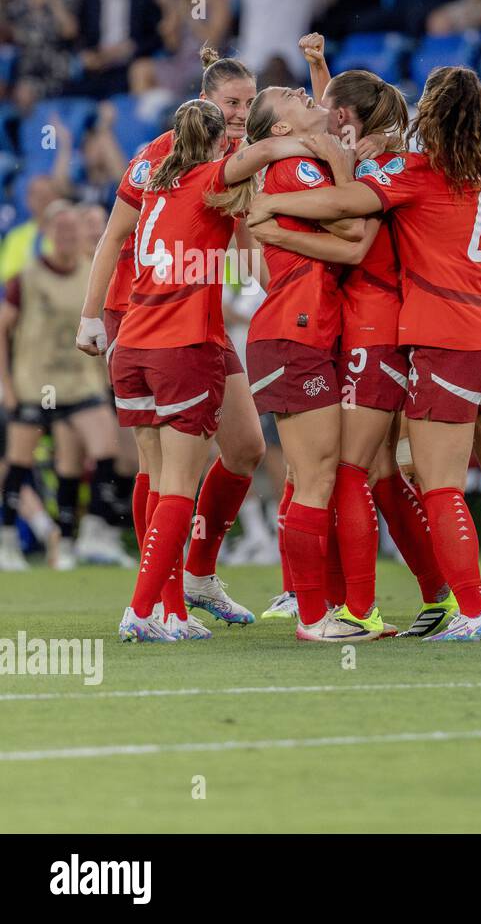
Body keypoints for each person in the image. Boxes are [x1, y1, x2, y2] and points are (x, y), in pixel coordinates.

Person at [248, 66, 481, 643]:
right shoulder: (473, 171)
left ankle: (373, 608)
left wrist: (273, 220)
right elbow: (350, 121)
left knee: (359, 472)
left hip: (393, 327)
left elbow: (353, 229)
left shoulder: (404, 172)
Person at [253, 60, 457, 636]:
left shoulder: (376, 169)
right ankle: (433, 594)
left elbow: (355, 239)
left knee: (346, 471)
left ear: (344, 117)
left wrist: (272, 221)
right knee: (376, 471)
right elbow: (326, 120)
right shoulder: (366, 161)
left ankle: (354, 608)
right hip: (350, 326)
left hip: (373, 324)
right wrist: (320, 72)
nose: (312, 101)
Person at [112, 99, 312, 642]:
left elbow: (247, 260)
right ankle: (142, 610)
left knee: (156, 479)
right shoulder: (209, 176)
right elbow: (267, 150)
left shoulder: (158, 184)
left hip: (132, 345)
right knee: (179, 485)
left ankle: (171, 610)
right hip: (183, 345)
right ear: (218, 141)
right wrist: (316, 139)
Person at [77, 48, 265, 626]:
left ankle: (194, 579)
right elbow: (113, 238)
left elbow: (244, 248)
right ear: (204, 102)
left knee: (246, 448)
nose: (241, 113)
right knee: (161, 468)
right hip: (148, 313)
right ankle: (161, 600)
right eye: (232, 103)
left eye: (249, 103)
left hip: (195, 311)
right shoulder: (163, 153)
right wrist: (89, 316)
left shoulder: (231, 158)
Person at [215, 84, 401, 642]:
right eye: (286, 96)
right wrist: (344, 170)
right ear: (278, 131)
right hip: (293, 335)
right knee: (318, 477)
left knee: (315, 475)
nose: (300, 91)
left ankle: (324, 609)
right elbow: (352, 234)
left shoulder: (292, 167)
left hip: (299, 334)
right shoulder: (298, 167)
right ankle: (315, 617)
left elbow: (347, 246)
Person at [0, 201, 124, 571]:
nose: (69, 237)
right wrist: (6, 383)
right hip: (37, 383)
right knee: (19, 463)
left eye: (74, 230)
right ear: (49, 234)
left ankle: (82, 538)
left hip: (80, 382)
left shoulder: (92, 273)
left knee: (107, 451)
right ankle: (7, 541)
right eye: (62, 230)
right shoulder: (27, 278)